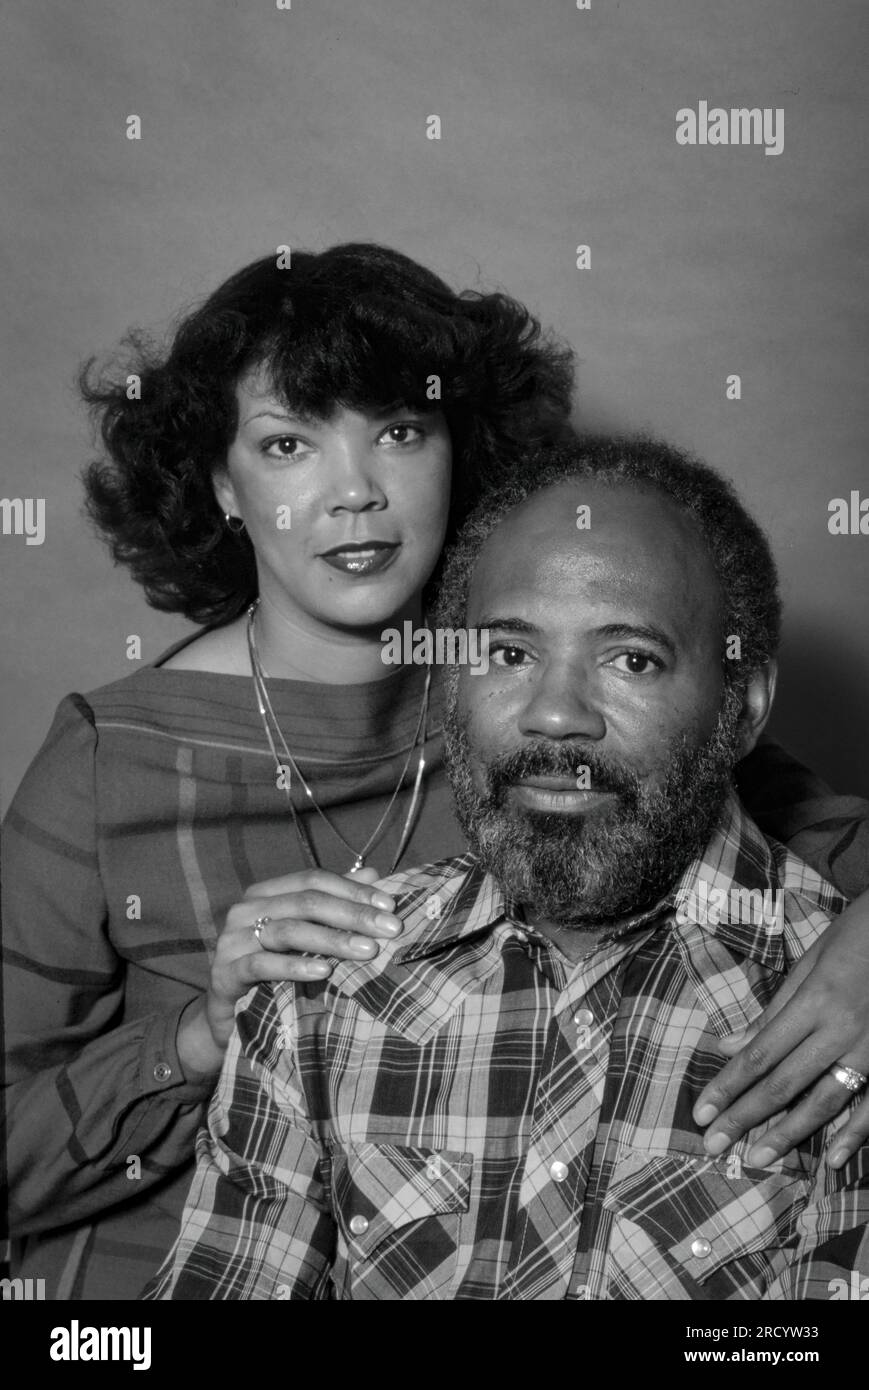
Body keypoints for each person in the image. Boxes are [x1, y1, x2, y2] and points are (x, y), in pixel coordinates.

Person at [4, 246, 868, 1301]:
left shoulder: (557, 728)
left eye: (400, 433)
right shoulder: (109, 758)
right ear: (224, 486)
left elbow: (777, 846)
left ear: (460, 452)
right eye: (287, 445)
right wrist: (195, 1038)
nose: (354, 493)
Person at [148, 435, 869, 1300]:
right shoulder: (321, 989)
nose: (554, 715)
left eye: (630, 659)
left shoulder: (842, 1022)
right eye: (509, 654)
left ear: (741, 705)